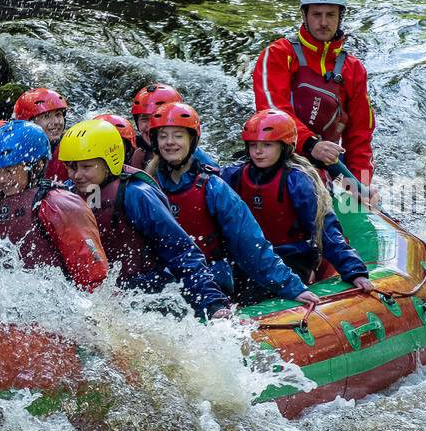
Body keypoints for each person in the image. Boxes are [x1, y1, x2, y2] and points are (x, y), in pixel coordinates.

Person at [147, 102, 321, 307]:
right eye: (163, 136)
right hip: (167, 280)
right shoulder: (147, 188)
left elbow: (249, 245)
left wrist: (292, 287)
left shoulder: (214, 188)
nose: (169, 142)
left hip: (211, 279)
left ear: (192, 140)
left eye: (178, 135)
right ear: (155, 141)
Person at [58, 118, 230, 318]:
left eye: (86, 167)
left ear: (109, 162)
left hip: (149, 292)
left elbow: (181, 252)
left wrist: (212, 304)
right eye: (71, 167)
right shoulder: (67, 195)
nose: (77, 175)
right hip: (100, 297)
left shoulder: (137, 194)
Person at [221, 109, 373, 291]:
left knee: (257, 291)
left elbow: (325, 229)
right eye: (253, 145)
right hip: (252, 257)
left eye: (267, 145)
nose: (258, 152)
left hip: (292, 258)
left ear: (284, 146)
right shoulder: (235, 175)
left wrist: (354, 271)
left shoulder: (298, 181)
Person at [252, 0, 378, 199]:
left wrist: (360, 185)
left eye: (331, 15)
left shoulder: (354, 69)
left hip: (325, 167)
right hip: (276, 158)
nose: (323, 22)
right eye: (316, 14)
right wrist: (311, 144)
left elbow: (360, 135)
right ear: (305, 16)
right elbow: (272, 109)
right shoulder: (278, 53)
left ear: (340, 18)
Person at [0, 120, 108, 291]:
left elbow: (94, 278)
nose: (2, 179)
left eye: (10, 170)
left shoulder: (59, 205)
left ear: (38, 165)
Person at [128, 83, 218, 174]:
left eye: (160, 118)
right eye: (144, 119)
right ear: (137, 122)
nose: (151, 126)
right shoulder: (136, 152)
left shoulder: (203, 165)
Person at [13, 87, 70, 182]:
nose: (56, 122)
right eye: (46, 116)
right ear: (29, 123)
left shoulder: (70, 147)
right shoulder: (14, 153)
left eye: (58, 114)